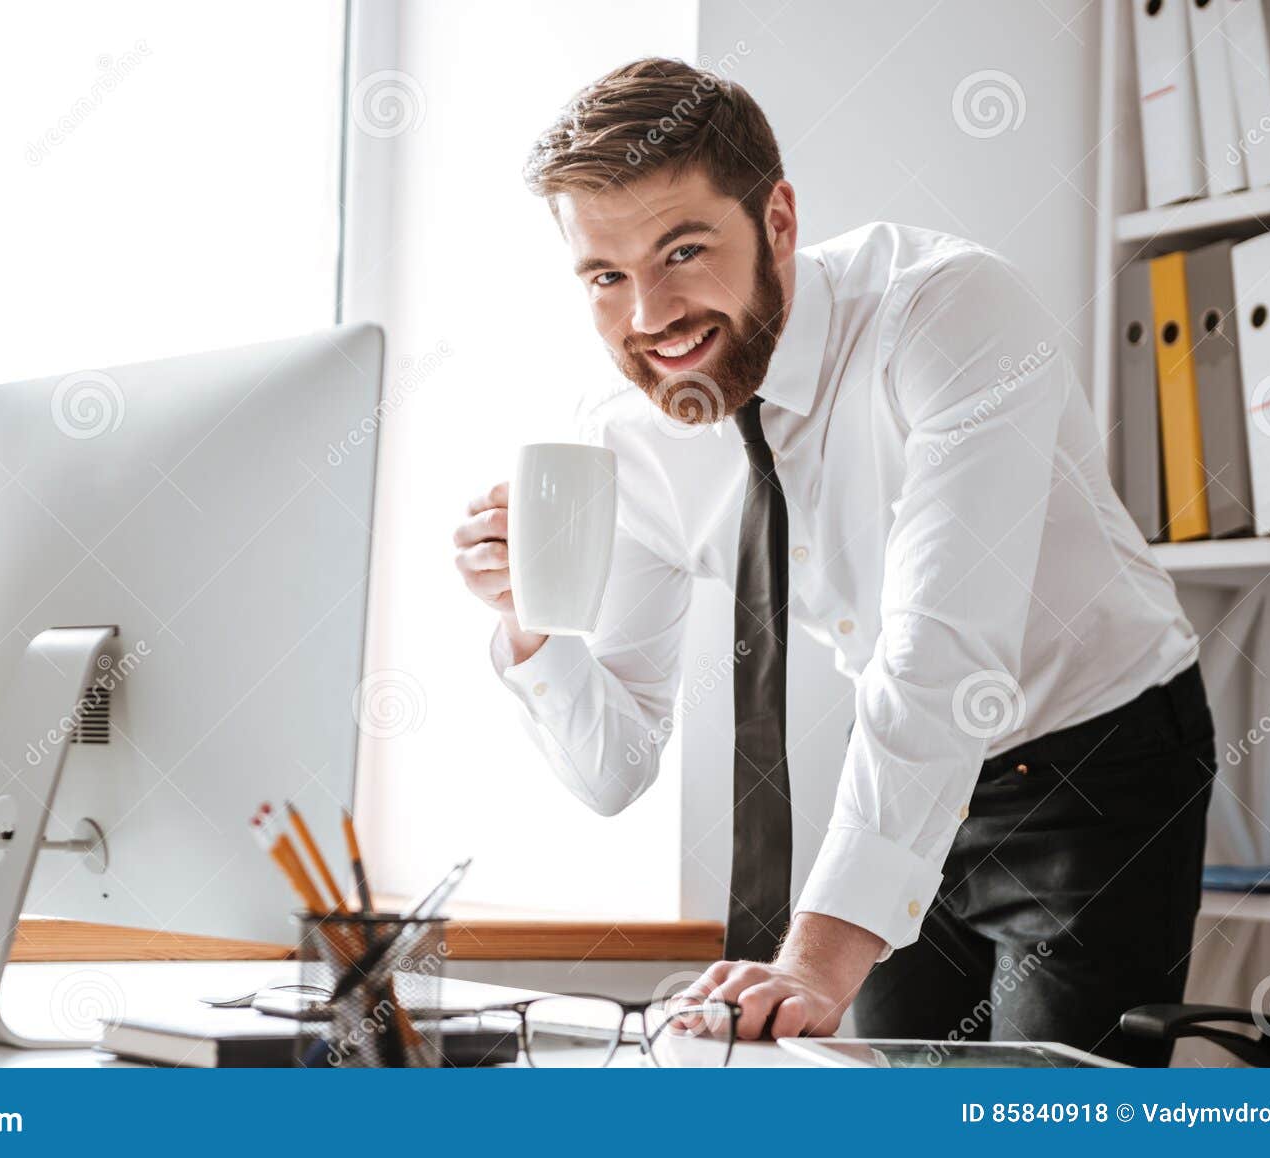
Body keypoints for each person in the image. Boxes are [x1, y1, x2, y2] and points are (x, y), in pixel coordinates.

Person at [451, 57, 1215, 1066]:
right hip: (897, 765)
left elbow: (944, 650)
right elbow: (613, 768)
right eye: (606, 276)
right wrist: (530, 626)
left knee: (1041, 1116)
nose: (649, 317)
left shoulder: (948, 310)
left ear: (776, 221)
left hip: (1095, 756)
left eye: (683, 251)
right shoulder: (626, 439)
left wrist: (814, 959)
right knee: (893, 1110)